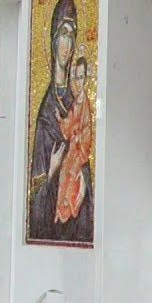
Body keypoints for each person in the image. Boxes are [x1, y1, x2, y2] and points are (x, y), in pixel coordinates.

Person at [27, 0, 94, 243]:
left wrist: (84, 179)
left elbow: (84, 154)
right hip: (51, 217)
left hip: (76, 211)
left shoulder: (78, 99)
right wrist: (52, 169)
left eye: (71, 34)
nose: (67, 42)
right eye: (63, 33)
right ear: (53, 40)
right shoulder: (46, 111)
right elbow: (34, 192)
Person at [55, 55, 94, 226]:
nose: (78, 82)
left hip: (79, 152)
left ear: (85, 78)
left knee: (71, 176)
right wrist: (59, 118)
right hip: (72, 149)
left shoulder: (84, 101)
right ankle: (60, 214)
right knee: (63, 173)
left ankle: (67, 211)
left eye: (81, 77)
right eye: (76, 77)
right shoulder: (77, 101)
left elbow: (87, 130)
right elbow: (69, 122)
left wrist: (79, 138)